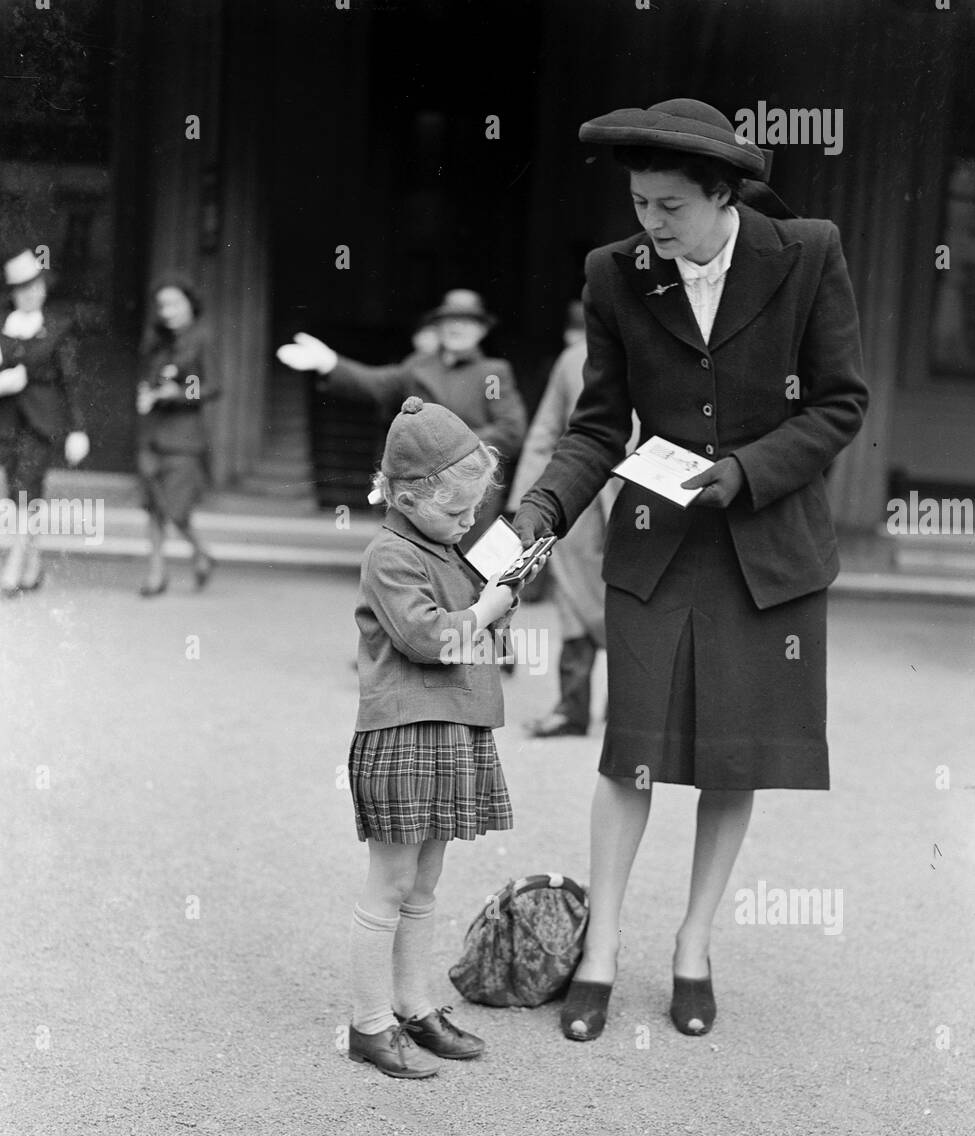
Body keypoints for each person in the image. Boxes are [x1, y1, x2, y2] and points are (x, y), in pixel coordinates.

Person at [512, 98, 868, 1041]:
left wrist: (746, 472)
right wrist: (537, 516)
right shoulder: (615, 274)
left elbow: (837, 404)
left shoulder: (806, 253)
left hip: (767, 552)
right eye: (637, 203)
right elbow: (597, 426)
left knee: (731, 755)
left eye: (668, 206)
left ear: (724, 195)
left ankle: (693, 947)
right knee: (630, 750)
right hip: (656, 547)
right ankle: (600, 950)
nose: (649, 225)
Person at [344, 395, 543, 1079]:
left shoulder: (444, 547)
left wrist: (501, 591)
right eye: (455, 512)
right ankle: (369, 1022)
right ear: (403, 495)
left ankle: (414, 1005)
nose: (465, 522)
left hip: (449, 727)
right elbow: (431, 637)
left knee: (424, 882)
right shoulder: (389, 554)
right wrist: (489, 604)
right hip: (403, 732)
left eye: (471, 512)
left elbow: (478, 632)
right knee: (391, 882)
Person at [276, 287, 527, 548]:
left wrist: (457, 451)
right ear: (438, 327)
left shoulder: (492, 374)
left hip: (468, 489)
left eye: (466, 322)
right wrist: (330, 363)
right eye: (449, 321)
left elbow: (511, 430)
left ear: (481, 330)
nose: (456, 328)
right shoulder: (419, 367)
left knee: (467, 565)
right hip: (422, 487)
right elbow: (378, 383)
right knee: (415, 559)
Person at [508, 301, 634, 736]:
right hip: (576, 499)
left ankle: (629, 712)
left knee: (633, 601)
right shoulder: (570, 362)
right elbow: (545, 432)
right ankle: (572, 708)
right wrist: (527, 499)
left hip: (635, 500)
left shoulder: (651, 353)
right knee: (572, 603)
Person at [0, 249, 90, 596]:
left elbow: (72, 381)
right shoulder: (4, 326)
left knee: (27, 486)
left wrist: (78, 428)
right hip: (6, 421)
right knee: (17, 493)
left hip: (41, 421)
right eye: (22, 288)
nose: (30, 293)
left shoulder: (58, 329)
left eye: (35, 286)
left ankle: (14, 563)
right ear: (12, 292)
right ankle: (33, 567)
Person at [135, 275, 218, 596]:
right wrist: (147, 390)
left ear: (189, 304)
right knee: (153, 506)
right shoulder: (157, 340)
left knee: (176, 509)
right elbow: (148, 376)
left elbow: (213, 386)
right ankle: (156, 571)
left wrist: (179, 392)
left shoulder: (202, 339)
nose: (167, 311)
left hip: (183, 439)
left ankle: (201, 552)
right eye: (162, 305)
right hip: (152, 433)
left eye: (174, 304)